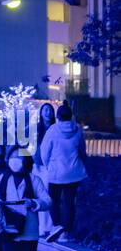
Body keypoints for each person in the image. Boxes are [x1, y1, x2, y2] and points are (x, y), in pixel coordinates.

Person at [40, 101, 88, 242]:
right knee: (69, 202)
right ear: (70, 115)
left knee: (52, 200)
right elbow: (82, 151)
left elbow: (44, 152)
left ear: (58, 116)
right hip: (73, 172)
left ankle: (56, 225)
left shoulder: (53, 130)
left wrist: (48, 165)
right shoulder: (78, 130)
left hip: (56, 173)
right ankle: (66, 232)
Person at [33, 103, 56, 237]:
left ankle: (48, 226)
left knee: (48, 196)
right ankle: (41, 226)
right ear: (41, 113)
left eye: (50, 110)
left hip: (50, 167)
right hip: (37, 167)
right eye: (45, 110)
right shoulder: (36, 129)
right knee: (39, 197)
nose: (48, 113)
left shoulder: (55, 129)